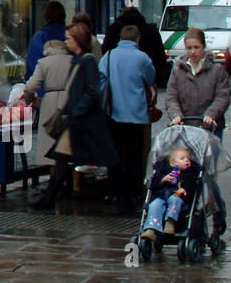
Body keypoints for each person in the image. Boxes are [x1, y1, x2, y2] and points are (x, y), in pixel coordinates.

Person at [42, 22, 119, 210]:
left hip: (86, 122)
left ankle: (122, 195)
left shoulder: (87, 61)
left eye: (69, 38)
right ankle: (49, 198)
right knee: (61, 156)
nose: (66, 41)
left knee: (107, 159)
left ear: (78, 40)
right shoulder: (79, 60)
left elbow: (92, 91)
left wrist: (75, 111)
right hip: (79, 121)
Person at [166, 26, 231, 237]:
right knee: (186, 174)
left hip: (208, 128)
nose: (193, 51)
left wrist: (211, 114)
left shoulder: (216, 71)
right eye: (189, 47)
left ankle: (218, 216)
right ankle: (193, 220)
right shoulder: (178, 69)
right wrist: (175, 114)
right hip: (186, 127)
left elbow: (223, 95)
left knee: (207, 176)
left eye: (196, 47)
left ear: (204, 47)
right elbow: (171, 96)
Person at [99, 24, 156, 213]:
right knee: (134, 156)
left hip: (113, 114)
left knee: (115, 155)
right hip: (136, 115)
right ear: (137, 39)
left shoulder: (108, 56)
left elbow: (101, 80)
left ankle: (117, 192)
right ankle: (135, 193)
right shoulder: (142, 58)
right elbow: (150, 78)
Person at [24, 39, 75, 195]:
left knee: (50, 143)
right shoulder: (72, 61)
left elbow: (31, 86)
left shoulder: (44, 63)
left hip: (50, 103)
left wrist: (30, 100)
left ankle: (54, 182)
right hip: (68, 102)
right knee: (68, 144)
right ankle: (71, 182)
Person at [139, 146, 201, 243]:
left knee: (174, 200)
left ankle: (170, 223)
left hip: (178, 198)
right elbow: (153, 185)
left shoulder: (189, 173)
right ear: (173, 163)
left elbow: (191, 184)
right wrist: (162, 180)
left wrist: (184, 189)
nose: (187, 161)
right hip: (162, 196)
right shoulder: (163, 170)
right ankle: (151, 229)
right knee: (154, 205)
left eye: (188, 159)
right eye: (182, 158)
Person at [102, 6, 169, 87]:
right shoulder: (150, 32)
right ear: (137, 39)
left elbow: (102, 72)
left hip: (116, 83)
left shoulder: (113, 31)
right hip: (143, 86)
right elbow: (160, 60)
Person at [25, 1, 67, 79]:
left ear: (46, 16)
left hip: (45, 86)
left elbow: (32, 65)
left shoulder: (40, 37)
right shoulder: (71, 36)